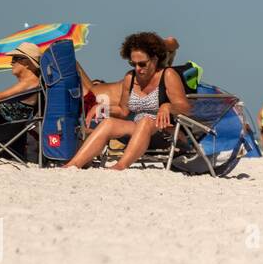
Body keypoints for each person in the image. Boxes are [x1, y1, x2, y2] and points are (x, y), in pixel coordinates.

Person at [66, 32, 192, 170]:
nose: (138, 68)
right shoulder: (130, 78)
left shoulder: (168, 75)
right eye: (134, 64)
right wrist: (103, 108)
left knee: (146, 121)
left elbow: (186, 108)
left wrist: (168, 106)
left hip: (165, 134)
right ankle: (73, 164)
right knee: (109, 123)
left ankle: (120, 165)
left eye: (142, 64)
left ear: (155, 59)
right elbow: (123, 111)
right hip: (137, 129)